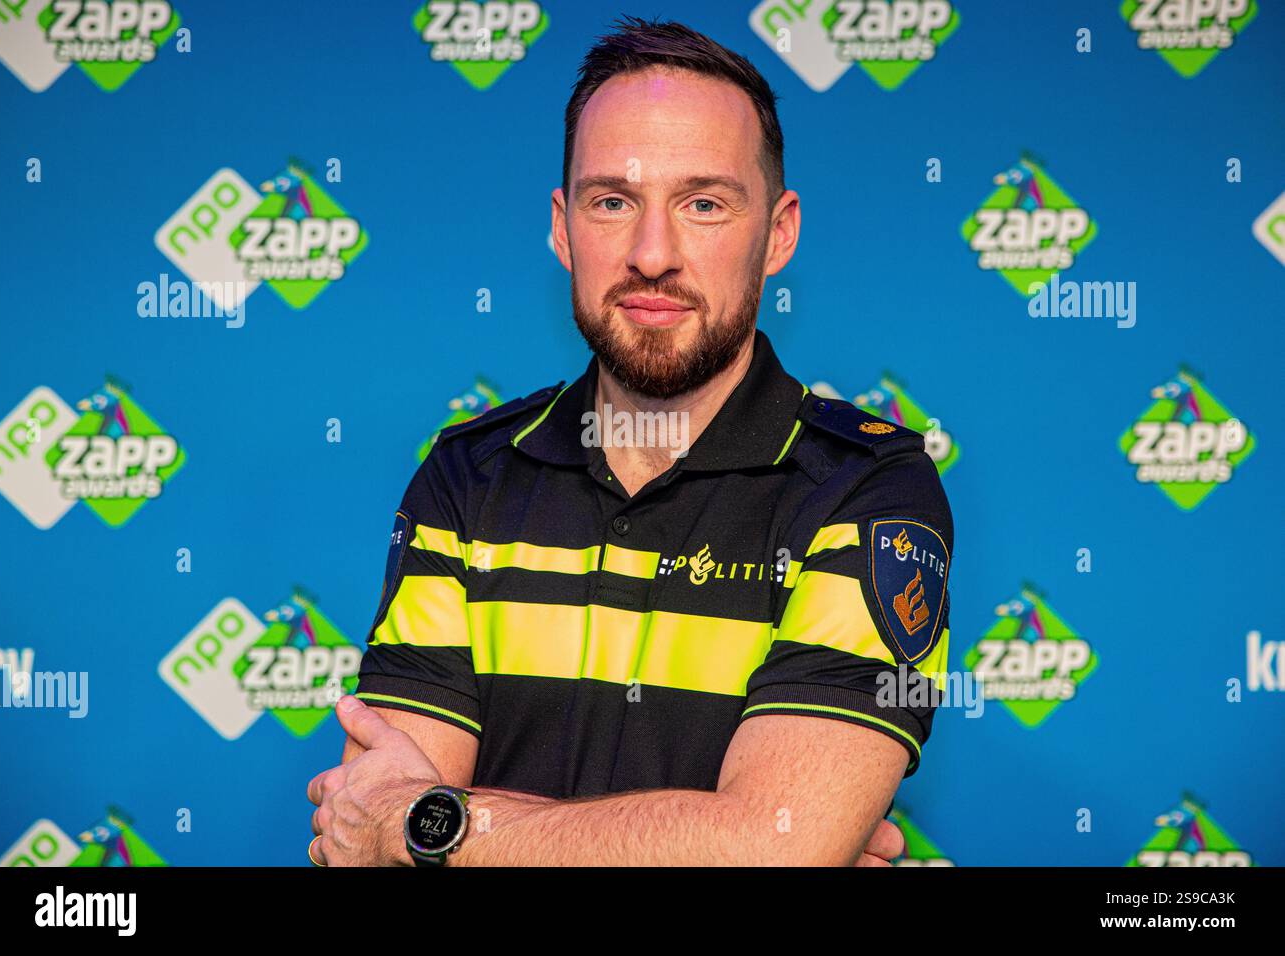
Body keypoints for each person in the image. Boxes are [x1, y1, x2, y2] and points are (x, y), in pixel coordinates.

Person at [308, 16, 953, 867]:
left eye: (704, 204)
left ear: (780, 234)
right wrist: (715, 837)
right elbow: (367, 832)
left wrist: (439, 825)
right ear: (563, 227)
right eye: (612, 201)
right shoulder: (470, 475)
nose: (653, 254)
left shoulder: (868, 488)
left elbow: (770, 849)